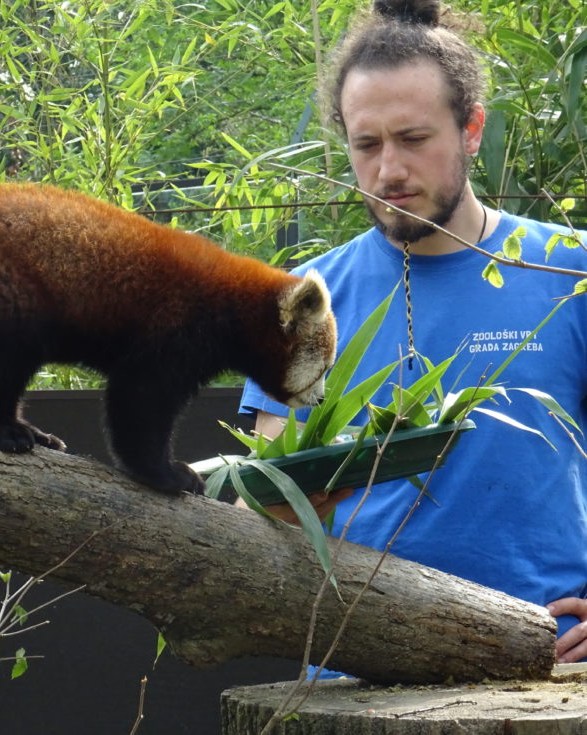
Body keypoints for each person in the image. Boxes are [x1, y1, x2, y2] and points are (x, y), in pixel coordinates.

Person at [239, 0, 587, 664]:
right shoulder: (303, 300)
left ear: (472, 129)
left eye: (414, 138)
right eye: (366, 144)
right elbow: (264, 523)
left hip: (550, 670)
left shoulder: (569, 273)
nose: (389, 170)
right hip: (357, 676)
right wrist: (298, 495)